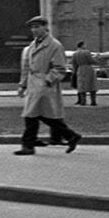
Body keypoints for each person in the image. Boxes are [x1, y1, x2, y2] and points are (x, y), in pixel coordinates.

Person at [13, 16, 82, 156]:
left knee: (31, 115)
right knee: (41, 115)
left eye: (37, 27)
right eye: (32, 27)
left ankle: (28, 145)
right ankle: (70, 136)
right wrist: (22, 85)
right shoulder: (33, 45)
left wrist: (48, 80)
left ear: (46, 27)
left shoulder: (55, 45)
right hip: (34, 84)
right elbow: (27, 67)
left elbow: (60, 68)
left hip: (44, 86)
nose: (34, 30)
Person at [70, 41, 98, 106]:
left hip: (80, 69)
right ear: (82, 45)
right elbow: (91, 61)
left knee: (81, 86)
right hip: (88, 69)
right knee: (92, 85)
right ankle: (93, 101)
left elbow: (74, 64)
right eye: (84, 45)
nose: (85, 46)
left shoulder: (75, 54)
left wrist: (74, 72)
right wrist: (96, 58)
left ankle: (83, 101)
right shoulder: (86, 52)